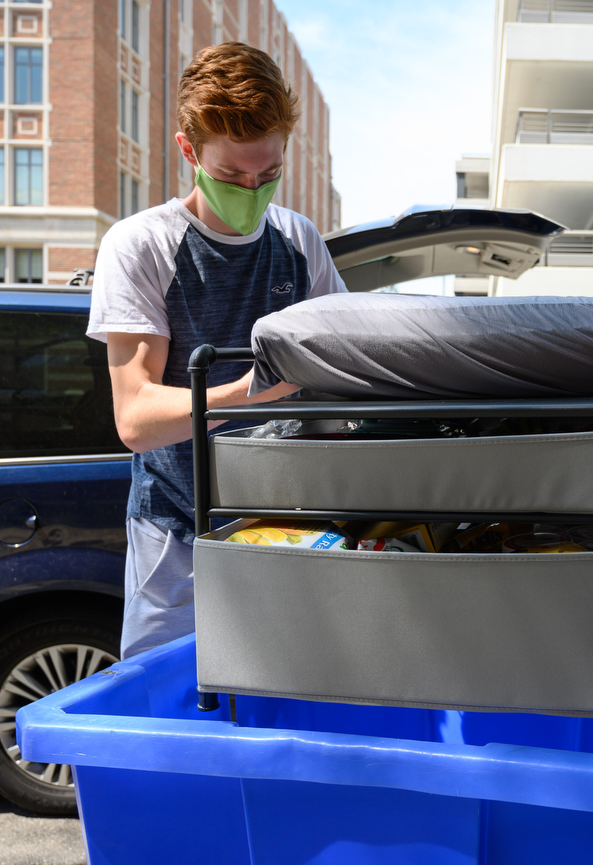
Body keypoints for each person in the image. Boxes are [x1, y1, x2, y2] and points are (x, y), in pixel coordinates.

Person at [87, 42, 346, 659]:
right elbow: (136, 419)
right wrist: (260, 389)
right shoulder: (140, 246)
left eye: (269, 174)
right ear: (188, 151)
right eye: (232, 175)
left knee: (284, 707)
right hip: (174, 532)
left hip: (287, 524)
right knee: (173, 708)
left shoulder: (298, 240)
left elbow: (345, 370)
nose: (252, 190)